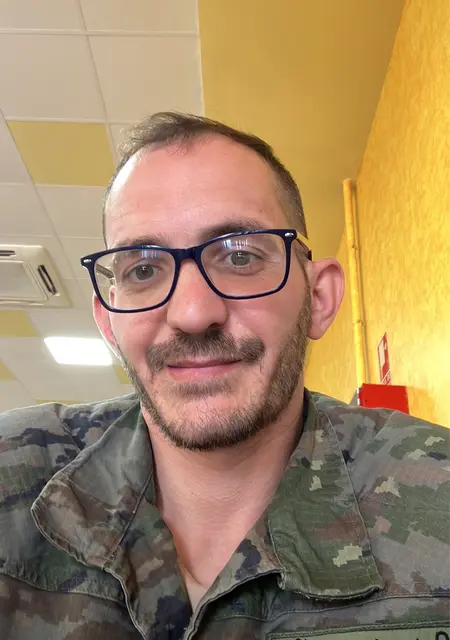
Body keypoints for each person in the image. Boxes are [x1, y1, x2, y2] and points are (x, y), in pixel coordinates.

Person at [0, 113, 449, 640]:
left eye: (240, 256)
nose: (192, 313)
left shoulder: (437, 495)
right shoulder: (13, 473)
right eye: (143, 270)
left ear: (319, 298)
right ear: (109, 323)